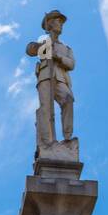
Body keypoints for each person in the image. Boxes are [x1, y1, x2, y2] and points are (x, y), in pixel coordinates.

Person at [25, 9, 75, 147]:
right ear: (50, 24)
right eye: (59, 22)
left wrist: (58, 57)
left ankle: (67, 137)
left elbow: (71, 64)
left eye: (61, 23)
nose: (61, 25)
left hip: (60, 78)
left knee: (68, 99)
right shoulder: (44, 42)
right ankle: (47, 142)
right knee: (46, 109)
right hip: (46, 75)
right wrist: (41, 47)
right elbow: (30, 50)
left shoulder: (66, 48)